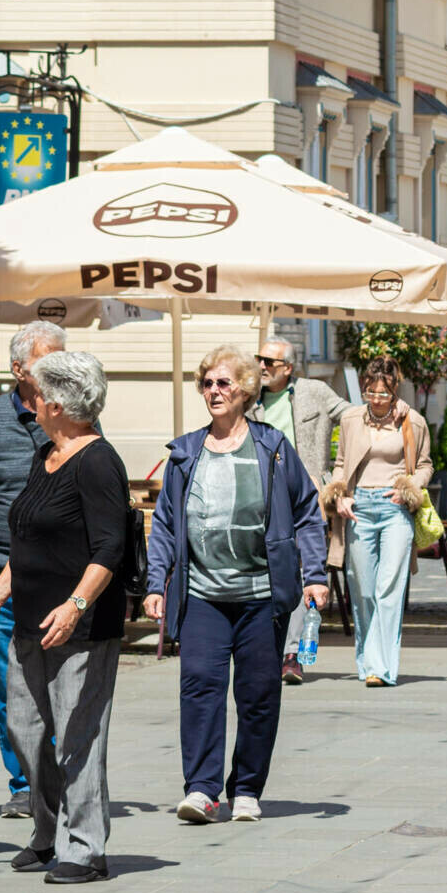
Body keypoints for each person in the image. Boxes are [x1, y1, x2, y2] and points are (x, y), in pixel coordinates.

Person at [0, 351, 130, 884]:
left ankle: (85, 848)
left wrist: (76, 603)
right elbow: (26, 539)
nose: (28, 400)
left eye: (35, 393)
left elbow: (109, 549)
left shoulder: (99, 460)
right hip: (31, 620)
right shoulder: (45, 454)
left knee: (79, 735)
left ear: (56, 403)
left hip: (79, 628)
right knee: (26, 730)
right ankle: (46, 830)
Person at [144, 346, 329, 824]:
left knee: (259, 693)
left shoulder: (271, 448)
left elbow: (308, 512)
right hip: (203, 593)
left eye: (223, 383)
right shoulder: (185, 453)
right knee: (200, 686)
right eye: (207, 384)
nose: (213, 391)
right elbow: (165, 524)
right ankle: (202, 789)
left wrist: (315, 575)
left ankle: (246, 788)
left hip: (262, 596)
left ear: (245, 389)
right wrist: (156, 584)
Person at [0, 319, 68, 820]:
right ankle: (24, 782)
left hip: (60, 578)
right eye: (48, 361)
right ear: (17, 368)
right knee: (8, 687)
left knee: (60, 685)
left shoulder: (73, 414)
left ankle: (62, 774)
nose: (58, 369)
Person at [248, 338, 349, 686]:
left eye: (269, 362)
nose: (261, 366)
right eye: (258, 359)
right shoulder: (249, 399)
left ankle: (292, 655)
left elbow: (353, 417)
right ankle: (265, 648)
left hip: (305, 499)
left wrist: (336, 474)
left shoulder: (314, 392)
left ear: (288, 368)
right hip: (260, 501)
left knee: (304, 575)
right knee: (266, 575)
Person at [330, 356, 431, 686]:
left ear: (394, 391)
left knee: (389, 588)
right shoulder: (350, 420)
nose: (375, 400)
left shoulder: (411, 422)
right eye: (370, 393)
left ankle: (381, 668)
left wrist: (409, 489)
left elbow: (426, 465)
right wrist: (340, 495)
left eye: (382, 394)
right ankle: (367, 661)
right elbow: (341, 463)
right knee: (363, 591)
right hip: (359, 508)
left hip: (394, 510)